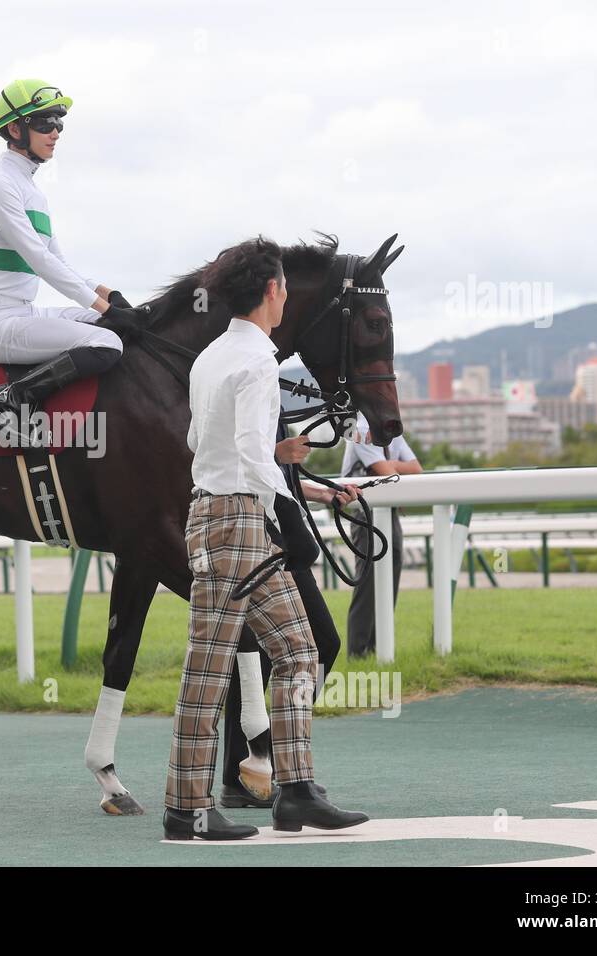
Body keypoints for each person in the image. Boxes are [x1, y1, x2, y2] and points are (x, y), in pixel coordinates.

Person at [162, 236, 368, 841]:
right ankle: (189, 809)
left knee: (297, 653)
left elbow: (204, 442)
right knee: (212, 665)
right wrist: (282, 504)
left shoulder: (210, 358)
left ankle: (294, 790)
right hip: (242, 524)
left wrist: (282, 467)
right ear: (274, 290)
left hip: (218, 517)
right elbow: (249, 453)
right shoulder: (258, 362)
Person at [0, 78, 145, 446]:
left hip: (22, 313)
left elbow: (60, 260)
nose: (56, 132)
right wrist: (102, 307)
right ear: (15, 129)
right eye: (45, 123)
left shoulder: (32, 190)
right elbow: (39, 259)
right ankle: (8, 401)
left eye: (59, 124)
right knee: (107, 343)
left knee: (122, 329)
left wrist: (112, 298)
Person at [218, 418, 362, 809]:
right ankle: (259, 771)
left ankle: (261, 769)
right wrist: (277, 451)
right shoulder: (246, 373)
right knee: (272, 654)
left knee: (313, 647)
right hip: (254, 534)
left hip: (281, 532)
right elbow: (219, 458)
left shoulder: (271, 388)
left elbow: (278, 479)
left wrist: (322, 493)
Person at [341, 411, 421, 657]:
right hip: (364, 512)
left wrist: (394, 467)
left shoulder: (389, 428)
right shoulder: (358, 429)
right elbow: (386, 471)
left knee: (393, 571)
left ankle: (378, 644)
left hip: (389, 508)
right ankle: (358, 650)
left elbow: (416, 470)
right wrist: (397, 467)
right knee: (368, 580)